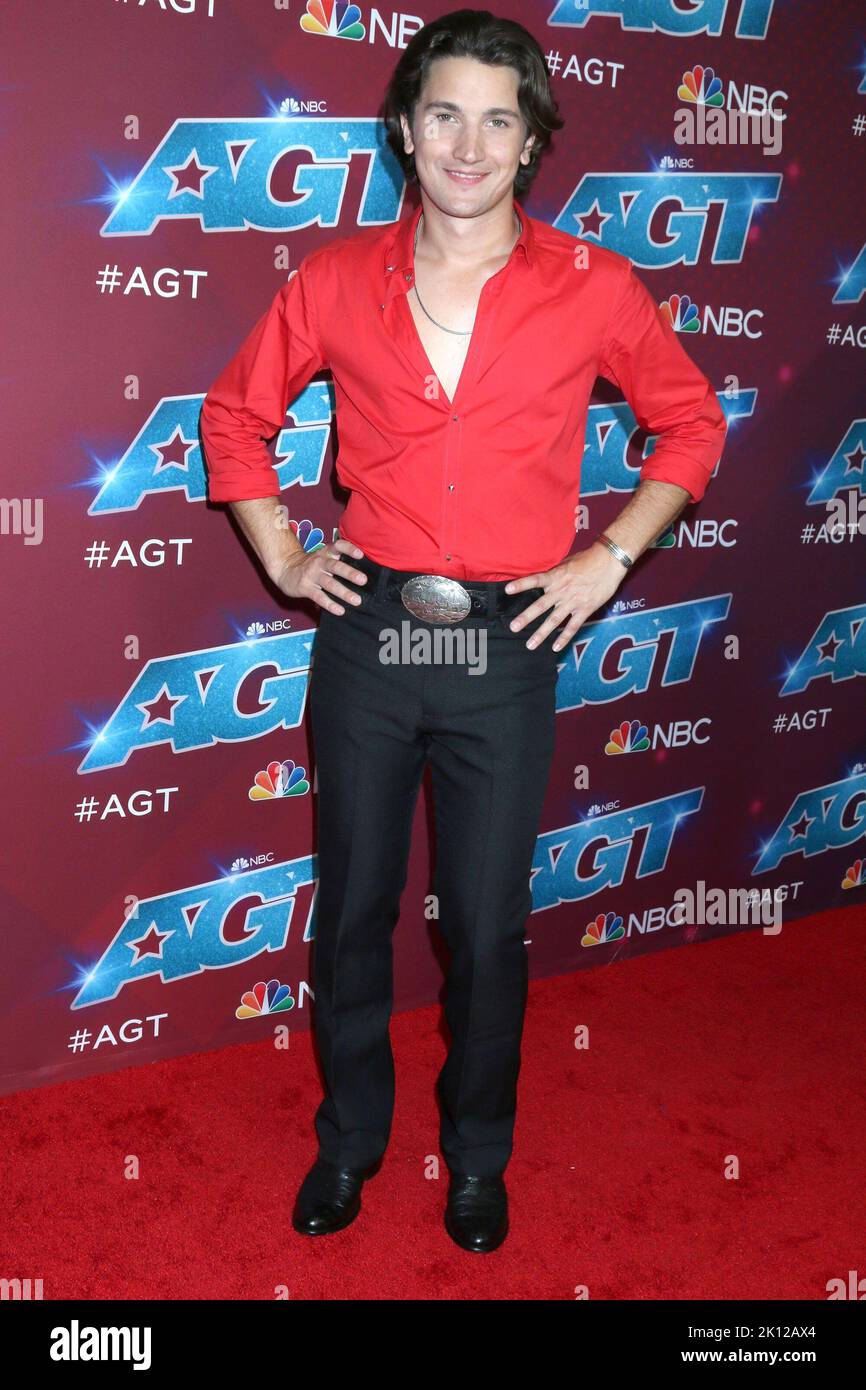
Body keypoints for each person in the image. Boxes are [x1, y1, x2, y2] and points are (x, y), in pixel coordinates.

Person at [199, 8, 727, 1254]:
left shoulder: (595, 283)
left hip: (506, 645)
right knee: (352, 907)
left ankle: (476, 1156)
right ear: (403, 127)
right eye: (445, 113)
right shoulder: (333, 279)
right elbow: (234, 418)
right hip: (372, 633)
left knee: (483, 924)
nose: (469, 143)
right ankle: (349, 1145)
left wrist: (604, 561)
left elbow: (690, 428)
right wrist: (282, 549)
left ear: (533, 139)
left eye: (499, 117)